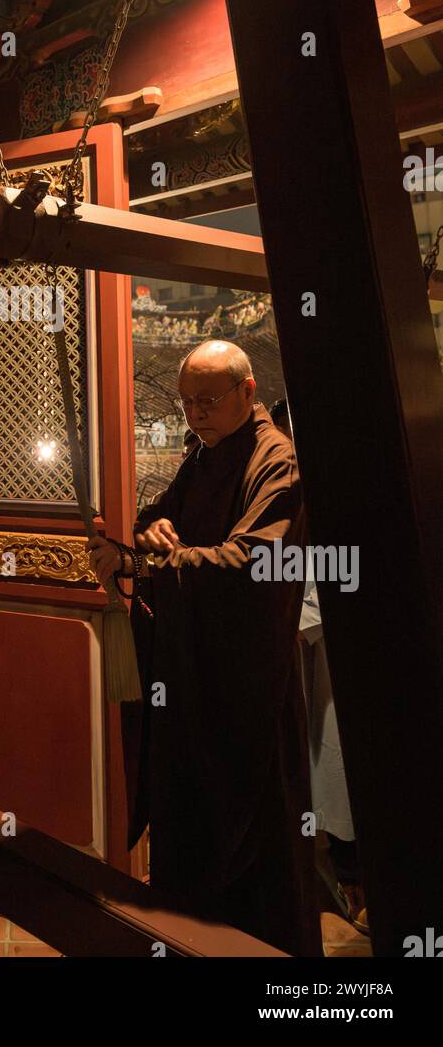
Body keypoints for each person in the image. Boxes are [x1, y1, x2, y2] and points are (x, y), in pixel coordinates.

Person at [88, 340, 321, 956]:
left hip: (249, 688)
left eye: (207, 401)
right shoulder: (205, 453)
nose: (193, 414)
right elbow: (158, 519)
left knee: (259, 855)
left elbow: (253, 563)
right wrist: (149, 531)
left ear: (248, 391)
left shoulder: (278, 463)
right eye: (186, 402)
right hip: (193, 677)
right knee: (190, 835)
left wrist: (156, 561)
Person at [268, 397, 368, 934]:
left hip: (330, 626)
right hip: (296, 621)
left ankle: (351, 875)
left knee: (335, 751)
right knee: (313, 752)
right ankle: (325, 873)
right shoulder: (283, 478)